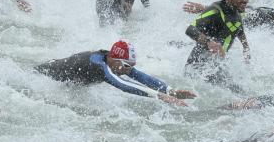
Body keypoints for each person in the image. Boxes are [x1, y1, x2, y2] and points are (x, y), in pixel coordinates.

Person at [33, 40, 196, 105]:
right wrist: (160, 96)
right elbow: (122, 85)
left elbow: (141, 76)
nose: (128, 70)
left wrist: (170, 91)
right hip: (40, 76)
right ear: (115, 59)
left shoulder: (113, 62)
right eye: (126, 66)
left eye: (130, 66)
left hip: (55, 79)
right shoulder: (98, 64)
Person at [184, 0, 252, 94]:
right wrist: (209, 43)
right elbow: (190, 29)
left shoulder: (237, 11)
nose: (246, 0)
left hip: (216, 65)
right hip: (199, 67)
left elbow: (238, 28)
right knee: (237, 94)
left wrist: (245, 47)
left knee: (240, 92)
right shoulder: (215, 10)